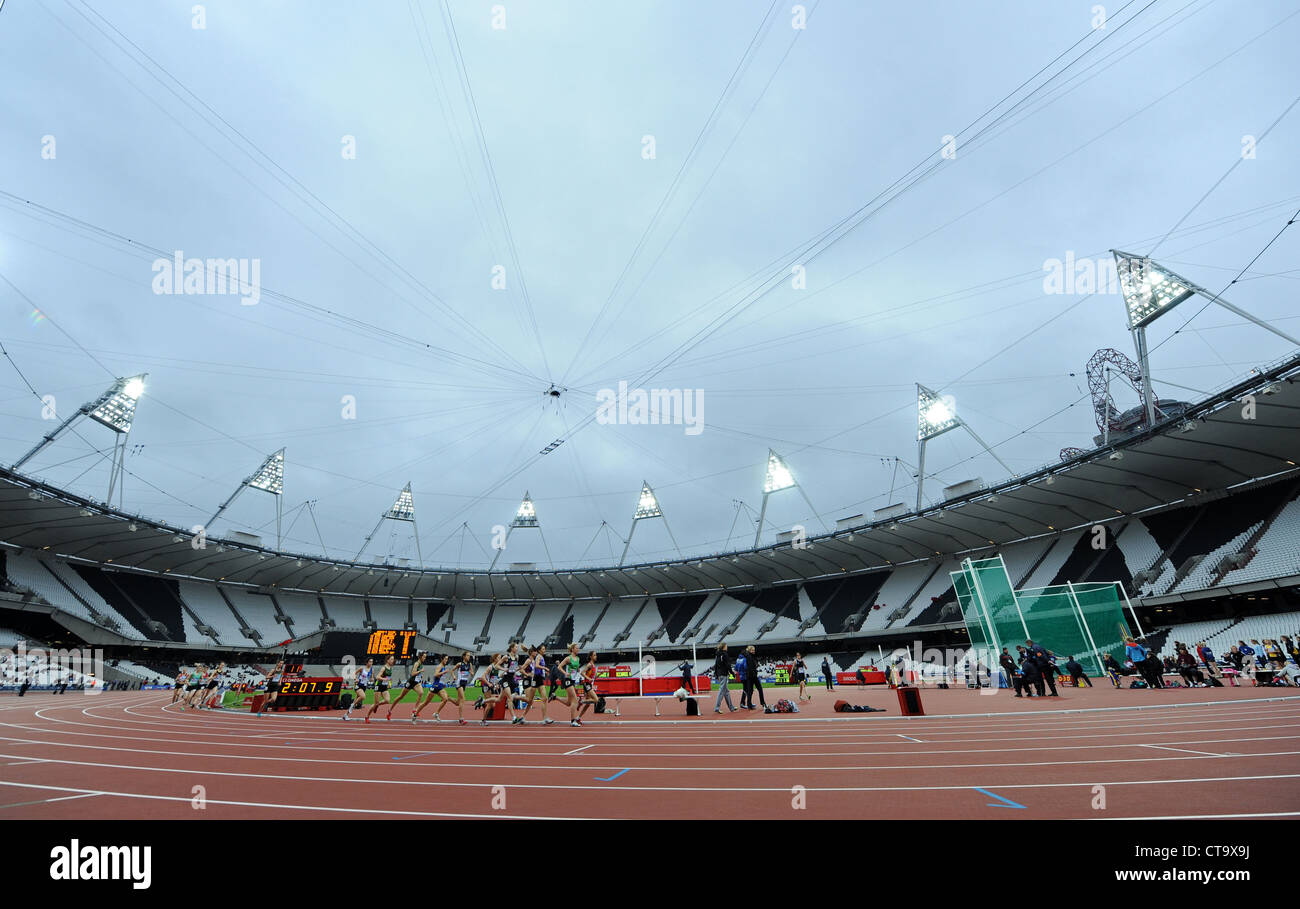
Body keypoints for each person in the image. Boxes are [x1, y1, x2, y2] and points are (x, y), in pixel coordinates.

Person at [386, 652, 428, 720]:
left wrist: (420, 676)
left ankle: (415, 709)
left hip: (416, 683)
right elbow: (412, 673)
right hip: (411, 682)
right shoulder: (417, 663)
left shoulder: (421, 664)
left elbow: (418, 675)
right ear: (420, 657)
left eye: (425, 657)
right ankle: (390, 710)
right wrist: (420, 671)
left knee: (421, 693)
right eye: (424, 657)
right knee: (401, 697)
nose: (425, 658)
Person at [363, 656, 395, 723]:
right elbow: (377, 677)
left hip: (384, 686)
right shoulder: (383, 668)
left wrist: (389, 682)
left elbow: (388, 677)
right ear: (387, 660)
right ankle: (367, 716)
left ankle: (377, 705)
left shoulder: (390, 668)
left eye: (393, 659)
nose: (393, 660)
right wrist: (384, 679)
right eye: (391, 659)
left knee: (387, 700)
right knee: (375, 703)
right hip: (378, 686)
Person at [713, 644, 737, 713]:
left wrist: (716, 674)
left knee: (726, 692)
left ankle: (731, 707)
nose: (727, 647)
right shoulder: (724, 654)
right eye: (726, 646)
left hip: (720, 674)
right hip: (724, 674)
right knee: (721, 691)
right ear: (723, 647)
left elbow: (716, 665)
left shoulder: (717, 655)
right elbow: (728, 665)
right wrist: (732, 673)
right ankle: (717, 707)